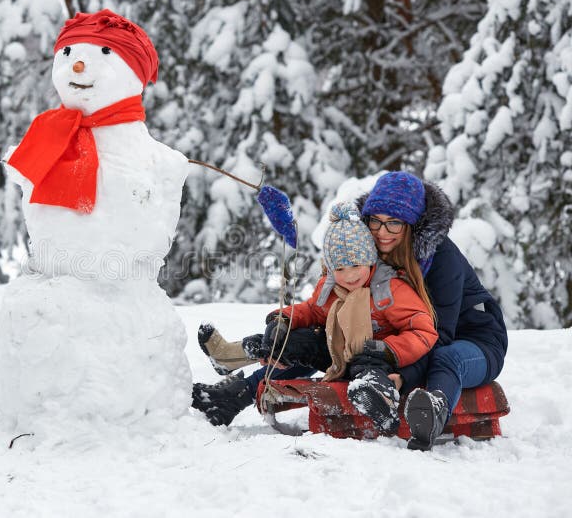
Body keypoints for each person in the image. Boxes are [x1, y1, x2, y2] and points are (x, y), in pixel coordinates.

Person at [192, 202, 439, 434]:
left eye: (356, 265)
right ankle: (234, 371)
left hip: (375, 357)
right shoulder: (330, 287)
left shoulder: (390, 290)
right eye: (340, 269)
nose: (350, 276)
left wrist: (388, 349)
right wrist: (283, 320)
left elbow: (423, 331)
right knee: (288, 340)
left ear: (370, 259)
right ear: (330, 269)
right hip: (336, 353)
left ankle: (378, 398)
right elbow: (311, 310)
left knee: (369, 365)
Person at [357, 171, 508, 450]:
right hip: (421, 337)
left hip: (477, 343)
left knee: (446, 358)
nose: (381, 231)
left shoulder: (443, 260)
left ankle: (431, 414)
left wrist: (405, 376)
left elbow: (439, 335)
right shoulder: (370, 253)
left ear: (412, 225)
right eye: (375, 221)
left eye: (393, 224)